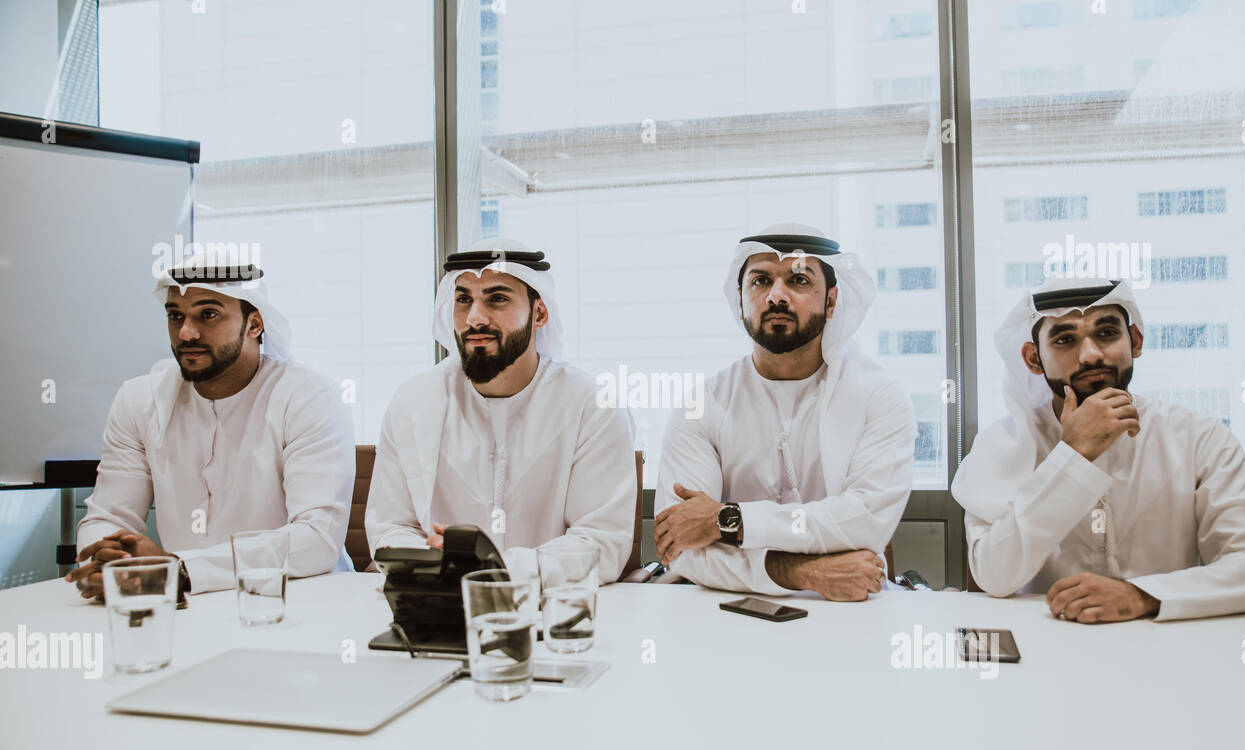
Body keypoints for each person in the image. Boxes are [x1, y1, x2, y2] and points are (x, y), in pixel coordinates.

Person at [951, 277, 1245, 621]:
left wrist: (1141, 596)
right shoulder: (1000, 444)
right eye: (1066, 339)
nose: (1090, 355)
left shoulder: (1199, 437)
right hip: (1044, 647)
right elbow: (993, 576)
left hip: (1167, 649)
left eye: (1107, 333)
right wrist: (1073, 455)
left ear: (1136, 341)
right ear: (1033, 359)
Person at [653, 224, 916, 601]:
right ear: (740, 301)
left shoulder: (878, 396)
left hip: (851, 611)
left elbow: (865, 524)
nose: (777, 296)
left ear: (831, 300)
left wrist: (726, 520)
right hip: (724, 614)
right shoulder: (702, 404)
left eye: (798, 279)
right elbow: (682, 549)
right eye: (760, 281)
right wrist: (804, 573)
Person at [70, 259, 355, 599]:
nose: (186, 333)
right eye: (175, 316)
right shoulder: (139, 400)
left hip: (301, 600)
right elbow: (107, 515)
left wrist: (179, 569)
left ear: (254, 324)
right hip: (179, 601)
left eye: (208, 314)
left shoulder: (308, 396)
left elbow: (317, 539)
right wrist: (110, 560)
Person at [365, 239, 636, 583]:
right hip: (437, 605)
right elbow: (390, 527)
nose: (475, 318)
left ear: (539, 314)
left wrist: (491, 571)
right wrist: (431, 563)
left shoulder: (592, 407)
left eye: (497, 299)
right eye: (463, 299)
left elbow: (600, 545)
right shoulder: (413, 402)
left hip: (552, 612)